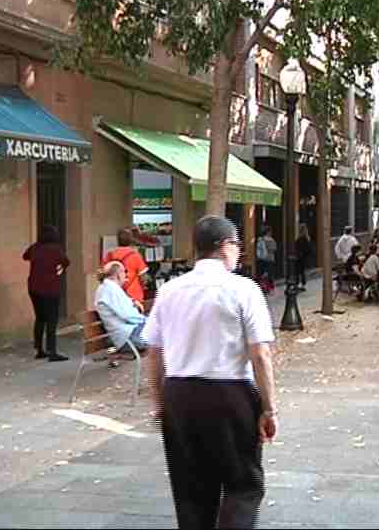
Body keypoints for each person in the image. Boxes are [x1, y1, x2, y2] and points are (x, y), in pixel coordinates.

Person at [145, 216, 277, 529]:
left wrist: (159, 402)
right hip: (230, 395)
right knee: (242, 484)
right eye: (237, 244)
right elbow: (260, 354)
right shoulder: (244, 289)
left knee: (190, 489)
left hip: (180, 396)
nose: (239, 251)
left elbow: (154, 352)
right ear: (224, 246)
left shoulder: (170, 290)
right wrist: (269, 408)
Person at [23, 225, 70, 361]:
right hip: (51, 288)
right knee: (52, 320)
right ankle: (52, 351)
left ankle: (39, 349)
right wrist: (59, 268)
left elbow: (25, 256)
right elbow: (66, 262)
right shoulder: (56, 249)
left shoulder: (35, 247)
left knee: (40, 318)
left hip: (34, 288)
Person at [95, 261, 147, 355]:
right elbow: (128, 316)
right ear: (119, 274)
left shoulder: (108, 287)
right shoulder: (111, 289)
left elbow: (123, 307)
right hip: (128, 337)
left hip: (128, 333)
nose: (126, 275)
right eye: (125, 271)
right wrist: (145, 320)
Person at [103, 228, 149, 310]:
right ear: (131, 240)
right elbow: (143, 278)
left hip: (115, 296)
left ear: (117, 240)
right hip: (134, 296)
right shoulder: (135, 255)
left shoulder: (110, 255)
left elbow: (104, 275)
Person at [295, 223, 314, 291]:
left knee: (298, 271)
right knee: (302, 271)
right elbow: (309, 248)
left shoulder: (300, 238)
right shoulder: (307, 238)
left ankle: (298, 284)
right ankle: (302, 284)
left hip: (300, 257)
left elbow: (297, 247)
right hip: (304, 257)